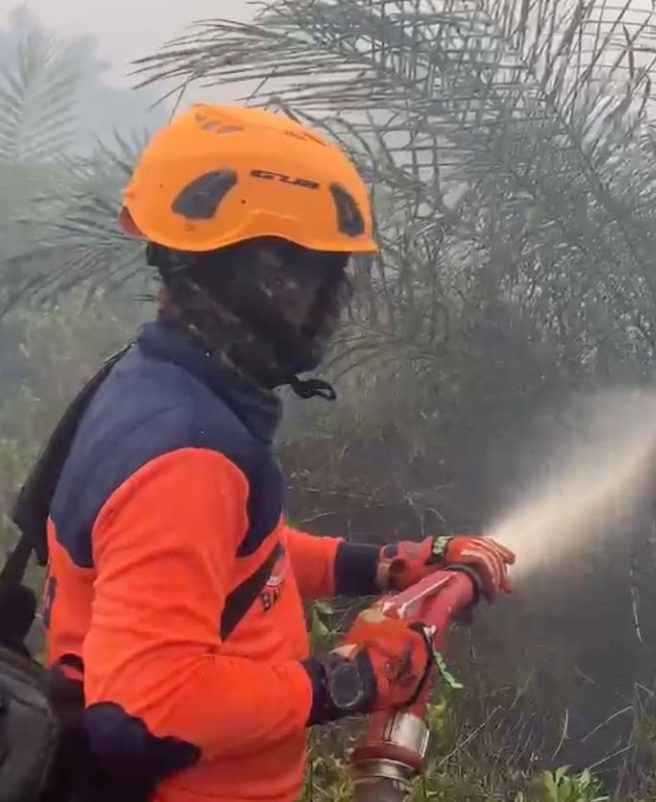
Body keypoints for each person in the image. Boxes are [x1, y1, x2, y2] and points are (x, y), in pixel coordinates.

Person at [35, 103, 516, 802]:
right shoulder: (190, 455)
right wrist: (351, 681)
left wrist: (382, 565)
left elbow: (235, 563)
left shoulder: (161, 387)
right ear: (236, 276)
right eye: (303, 275)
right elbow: (139, 717)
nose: (325, 301)